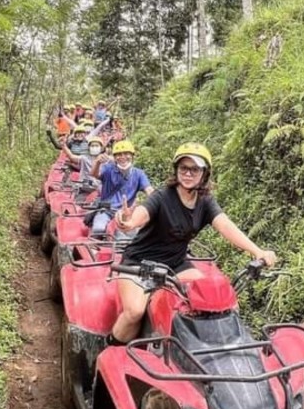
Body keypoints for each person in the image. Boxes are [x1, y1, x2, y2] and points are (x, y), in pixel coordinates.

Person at [108, 142, 277, 344]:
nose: (188, 173)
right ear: (177, 171)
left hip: (175, 264)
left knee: (223, 304)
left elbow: (226, 226)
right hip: (139, 264)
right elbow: (140, 215)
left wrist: (257, 251)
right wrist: (128, 221)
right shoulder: (162, 197)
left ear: (204, 174)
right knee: (134, 312)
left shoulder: (205, 201)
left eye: (194, 169)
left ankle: (213, 352)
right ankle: (112, 345)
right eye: (184, 168)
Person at [91, 139, 154, 237]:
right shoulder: (108, 169)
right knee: (98, 229)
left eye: (126, 154)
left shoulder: (139, 174)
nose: (122, 157)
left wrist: (158, 202)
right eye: (119, 154)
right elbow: (95, 174)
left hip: (126, 214)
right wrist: (97, 163)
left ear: (132, 156)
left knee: (138, 235)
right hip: (107, 211)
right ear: (115, 157)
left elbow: (149, 190)